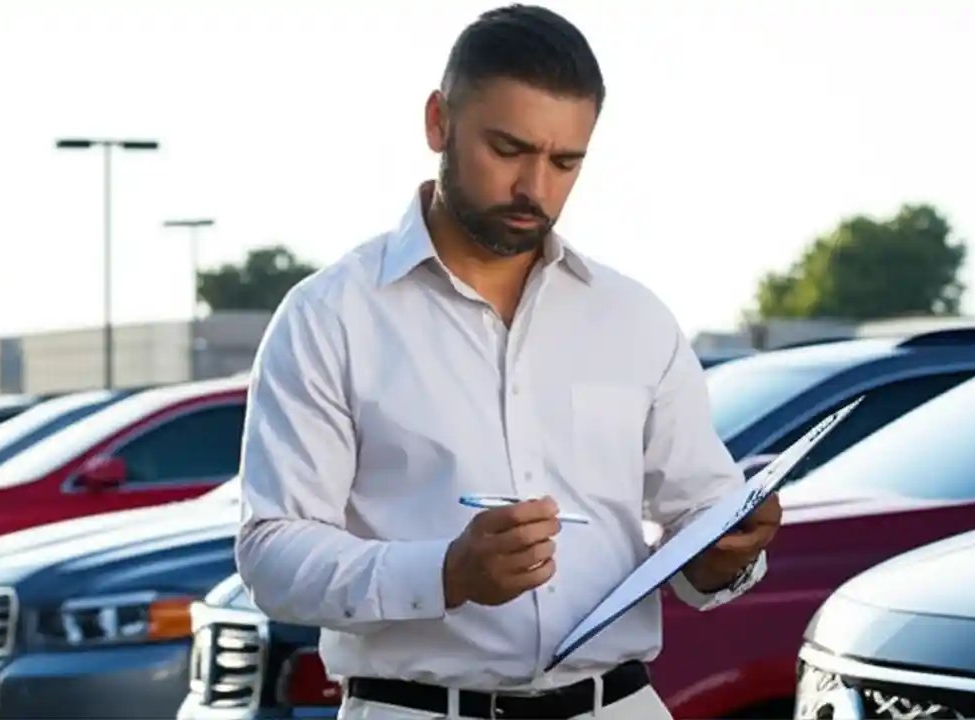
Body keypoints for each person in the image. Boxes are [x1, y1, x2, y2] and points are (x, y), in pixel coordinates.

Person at [236, 4, 782, 719]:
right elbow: (271, 554)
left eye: (565, 162)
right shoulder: (329, 317)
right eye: (508, 149)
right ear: (439, 122)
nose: (536, 188)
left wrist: (726, 555)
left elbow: (698, 517)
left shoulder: (633, 318)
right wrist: (444, 573)